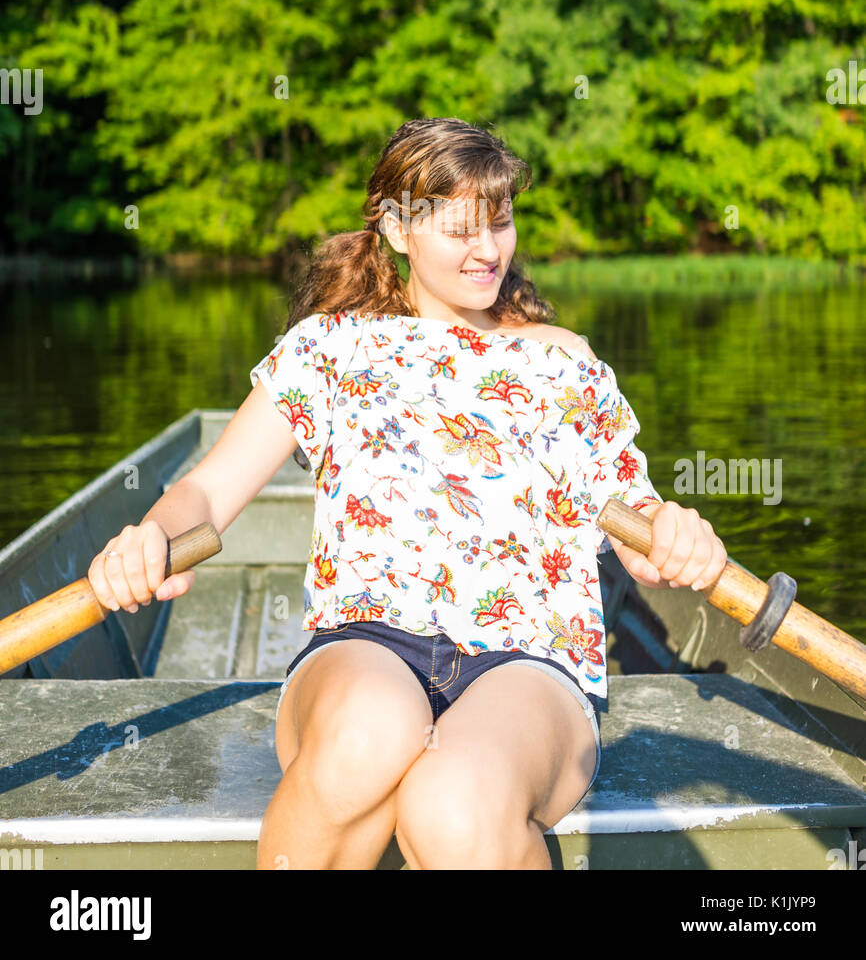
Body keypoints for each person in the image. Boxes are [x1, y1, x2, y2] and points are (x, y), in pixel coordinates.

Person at [87, 116, 727, 871]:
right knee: (368, 736)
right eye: (459, 229)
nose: (488, 250)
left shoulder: (564, 363)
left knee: (454, 803)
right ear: (396, 228)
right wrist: (149, 538)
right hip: (365, 641)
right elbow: (202, 491)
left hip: (528, 659)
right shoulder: (329, 349)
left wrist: (673, 533)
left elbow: (636, 517)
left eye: (501, 221)